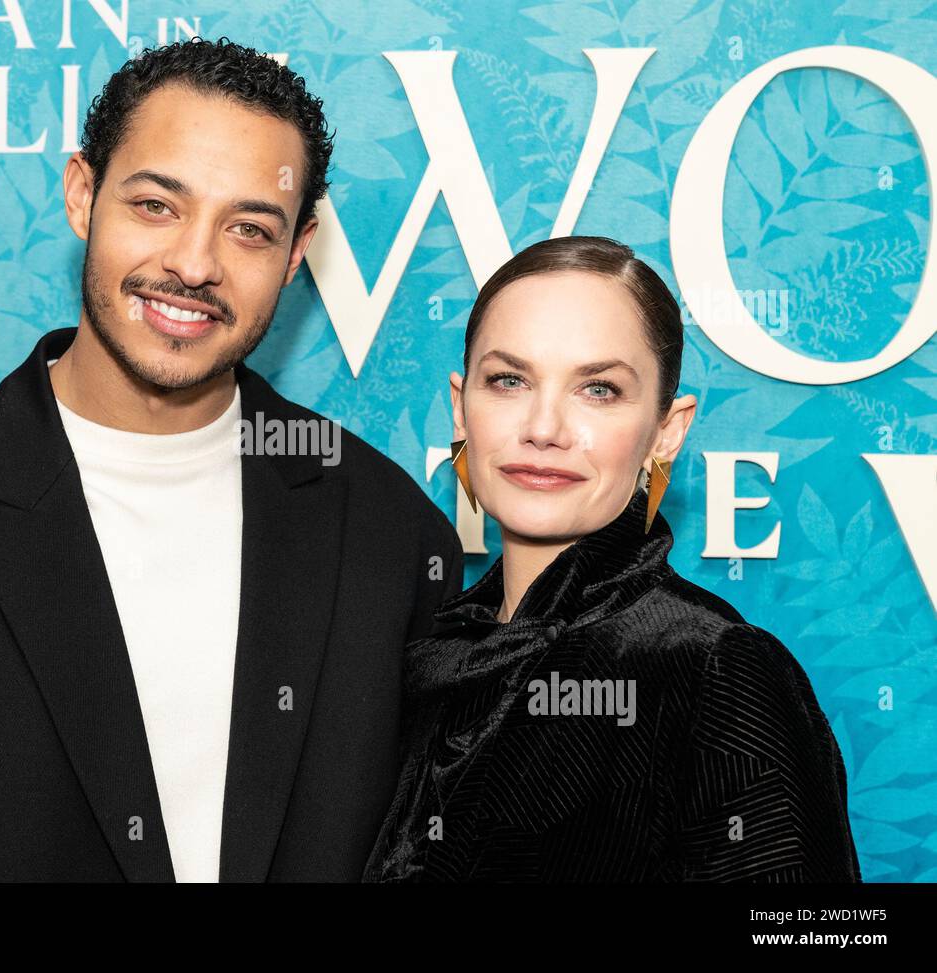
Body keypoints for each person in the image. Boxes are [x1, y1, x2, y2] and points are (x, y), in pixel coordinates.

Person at [0, 37, 463, 883]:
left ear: (296, 255)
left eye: (250, 229)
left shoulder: (390, 535)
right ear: (83, 195)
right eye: (156, 205)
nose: (194, 265)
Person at [364, 235, 861, 882]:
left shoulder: (710, 666)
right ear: (461, 408)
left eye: (598, 389)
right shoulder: (430, 654)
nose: (544, 427)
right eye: (509, 380)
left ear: (667, 430)